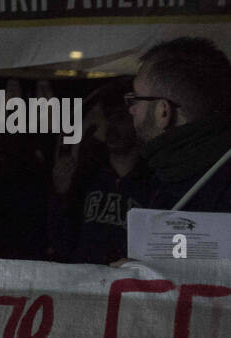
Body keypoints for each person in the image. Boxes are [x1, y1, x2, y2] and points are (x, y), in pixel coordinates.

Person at [48, 78, 152, 264]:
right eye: (109, 117)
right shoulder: (87, 175)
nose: (112, 126)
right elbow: (61, 242)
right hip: (86, 282)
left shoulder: (154, 183)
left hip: (129, 285)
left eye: (121, 118)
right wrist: (61, 194)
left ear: (137, 123)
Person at [129, 37, 231, 212]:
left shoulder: (213, 187)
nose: (131, 110)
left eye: (136, 99)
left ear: (163, 112)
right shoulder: (167, 175)